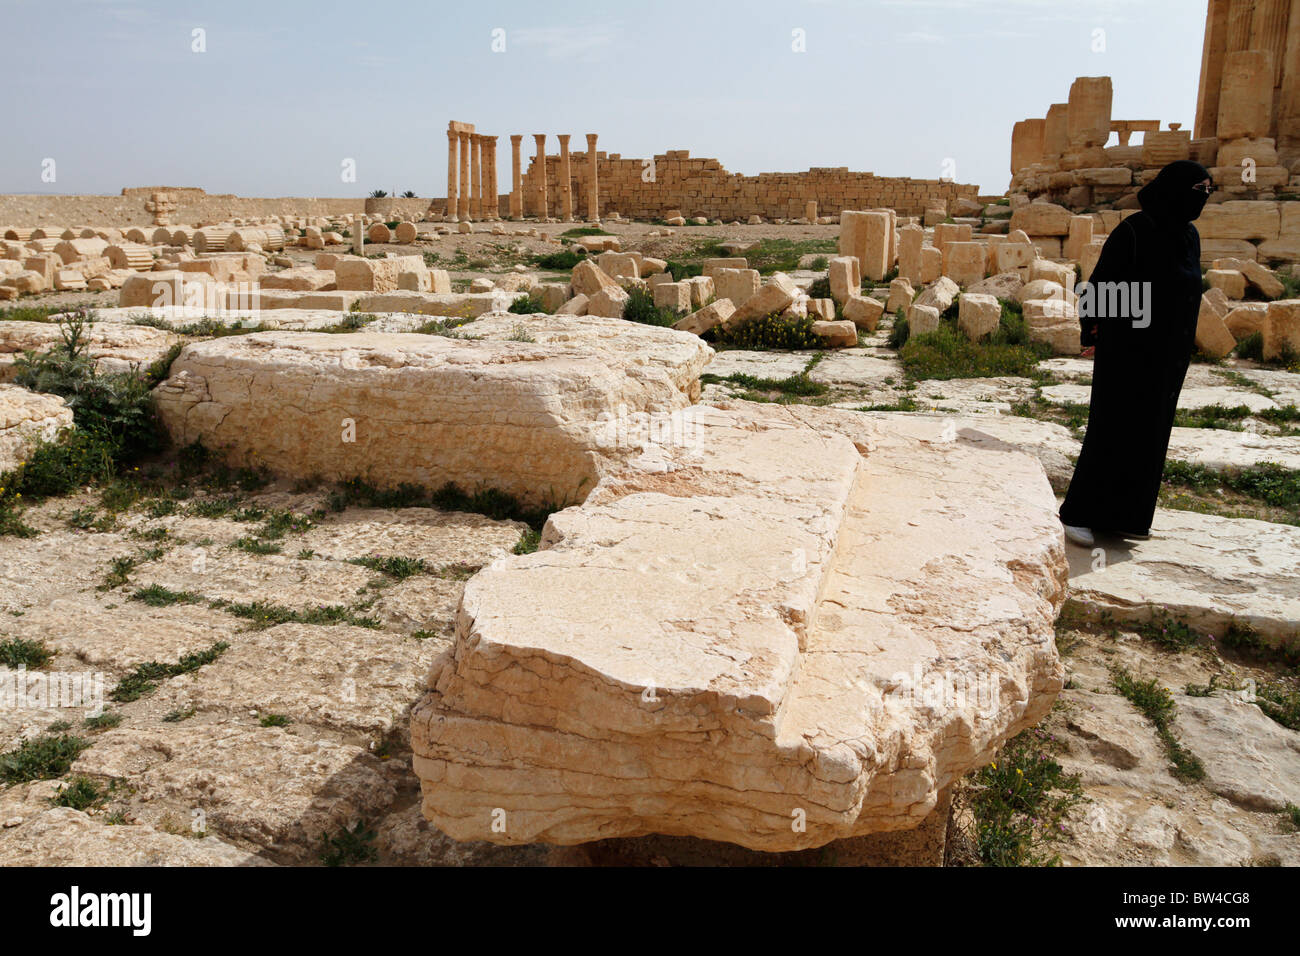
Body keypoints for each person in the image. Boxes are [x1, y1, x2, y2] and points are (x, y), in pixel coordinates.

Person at [1058, 160, 1212, 548]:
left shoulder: (1190, 236)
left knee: (1151, 433)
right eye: (1199, 190)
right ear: (1175, 188)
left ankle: (1126, 516)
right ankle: (1078, 514)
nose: (1204, 198)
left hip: (1168, 354)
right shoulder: (1134, 230)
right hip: (1127, 350)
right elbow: (1101, 285)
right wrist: (1090, 332)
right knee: (1112, 427)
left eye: (1209, 191)